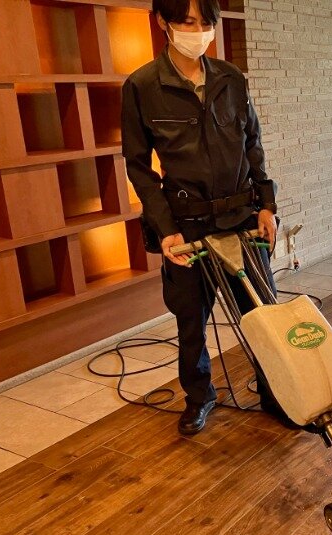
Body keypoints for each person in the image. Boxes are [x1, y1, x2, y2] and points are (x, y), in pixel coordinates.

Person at [122, 0, 280, 435]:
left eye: (207, 22)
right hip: (186, 226)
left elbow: (253, 145)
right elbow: (138, 166)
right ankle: (199, 396)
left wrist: (267, 205)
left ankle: (275, 391)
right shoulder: (142, 86)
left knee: (262, 314)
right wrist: (165, 229)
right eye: (188, 22)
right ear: (163, 21)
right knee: (190, 319)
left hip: (242, 217)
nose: (199, 31)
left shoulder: (231, 78)